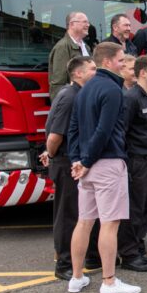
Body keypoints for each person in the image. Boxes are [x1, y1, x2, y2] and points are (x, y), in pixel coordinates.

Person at [67, 42, 140, 293]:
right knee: (110, 224)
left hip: (87, 166)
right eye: (121, 60)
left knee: (85, 221)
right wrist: (85, 160)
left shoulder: (85, 89)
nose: (124, 65)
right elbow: (104, 129)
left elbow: (74, 128)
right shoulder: (111, 88)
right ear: (108, 61)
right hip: (106, 162)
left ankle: (76, 277)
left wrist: (78, 160)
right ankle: (109, 283)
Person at [40, 56, 98, 280]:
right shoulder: (70, 97)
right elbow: (55, 135)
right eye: (92, 69)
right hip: (65, 162)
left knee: (82, 212)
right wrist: (51, 154)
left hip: (74, 160)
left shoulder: (80, 94)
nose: (96, 72)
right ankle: (63, 264)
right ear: (78, 74)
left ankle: (87, 256)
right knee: (68, 215)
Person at [118, 55, 147, 273]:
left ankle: (139, 249)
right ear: (142, 73)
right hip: (137, 162)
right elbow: (122, 132)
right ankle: (129, 254)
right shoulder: (131, 97)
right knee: (134, 210)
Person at [48, 11, 90, 101]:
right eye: (84, 22)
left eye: (88, 22)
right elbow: (58, 82)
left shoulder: (86, 47)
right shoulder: (62, 47)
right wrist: (61, 104)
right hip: (72, 101)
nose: (88, 25)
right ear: (72, 24)